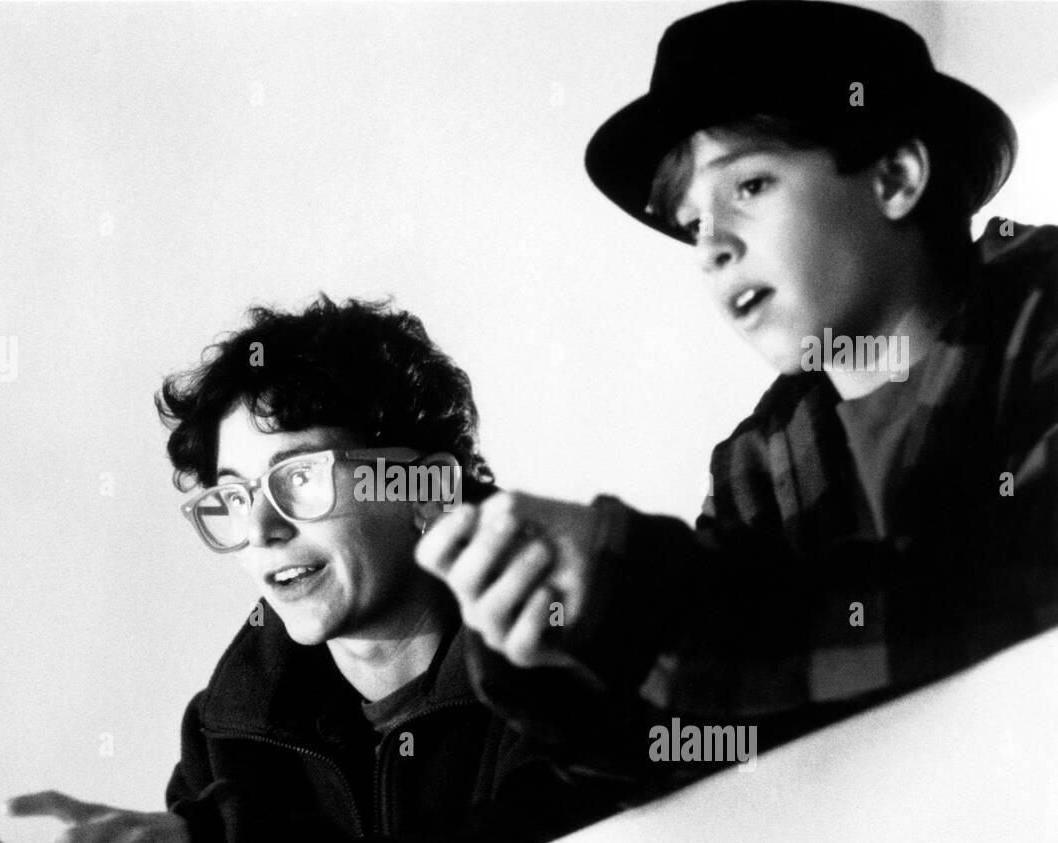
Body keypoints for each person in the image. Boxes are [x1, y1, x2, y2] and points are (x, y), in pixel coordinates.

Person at [417, 0, 1058, 783]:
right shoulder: (757, 465)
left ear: (895, 175)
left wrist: (641, 592)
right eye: (690, 225)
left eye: (749, 184)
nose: (711, 247)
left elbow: (1024, 590)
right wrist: (556, 646)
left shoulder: (1043, 319)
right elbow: (702, 752)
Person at [0, 296, 627, 843]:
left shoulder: (568, 654)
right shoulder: (231, 728)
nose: (262, 530)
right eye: (236, 496)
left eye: (301, 478)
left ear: (426, 486)